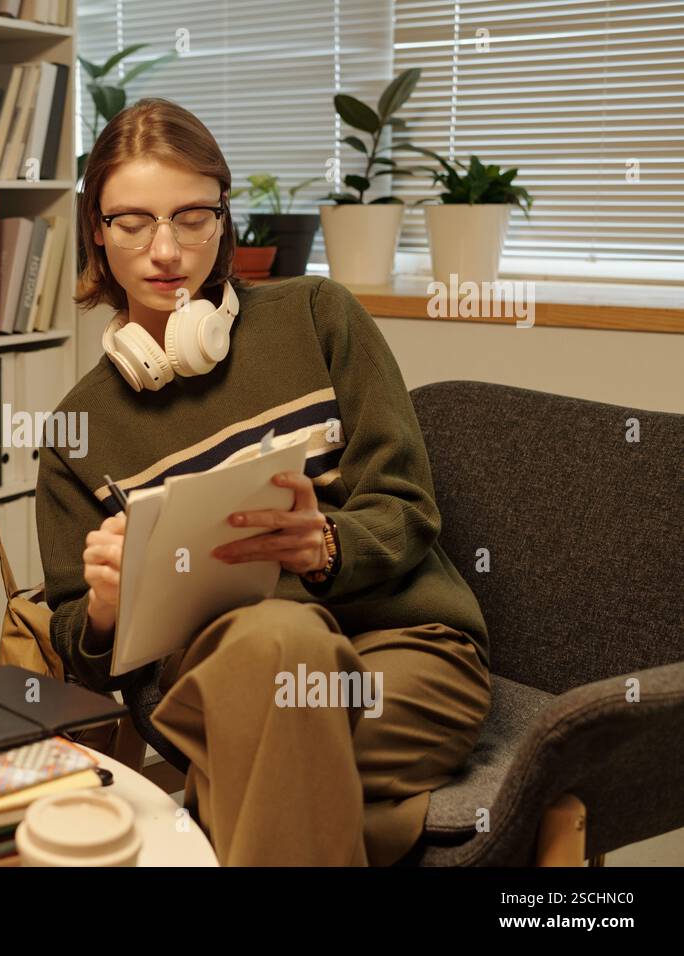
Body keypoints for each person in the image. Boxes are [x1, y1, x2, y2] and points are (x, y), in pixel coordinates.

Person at [35, 98, 491, 866]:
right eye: (133, 221)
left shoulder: (317, 315)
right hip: (231, 669)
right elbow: (77, 646)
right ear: (97, 232)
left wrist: (325, 546)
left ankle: (226, 809)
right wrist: (108, 613)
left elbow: (409, 508)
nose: (166, 249)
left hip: (406, 656)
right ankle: (383, 824)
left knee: (255, 748)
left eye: (192, 216)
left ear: (225, 219)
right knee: (276, 646)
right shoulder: (76, 431)